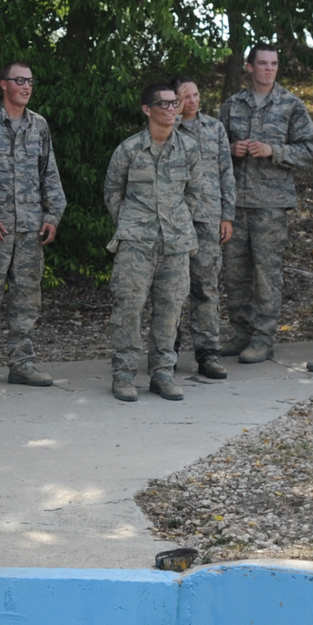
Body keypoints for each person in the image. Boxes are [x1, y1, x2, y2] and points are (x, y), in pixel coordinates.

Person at [217, 44, 313, 364]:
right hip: (234, 203)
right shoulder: (233, 105)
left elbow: (310, 150)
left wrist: (273, 150)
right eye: (262, 63)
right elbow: (214, 146)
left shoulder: (290, 105)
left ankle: (263, 337)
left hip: (271, 204)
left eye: (274, 63)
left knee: (266, 273)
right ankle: (241, 333)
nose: (269, 69)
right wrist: (231, 149)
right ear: (249, 67)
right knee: (235, 273)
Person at [103, 83, 202, 403]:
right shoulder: (129, 150)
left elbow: (196, 194)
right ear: (147, 110)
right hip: (136, 245)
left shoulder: (188, 148)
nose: (173, 109)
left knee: (170, 311)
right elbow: (112, 193)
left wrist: (177, 224)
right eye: (165, 104)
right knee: (128, 310)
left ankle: (162, 374)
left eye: (176, 103)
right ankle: (124, 374)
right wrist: (132, 224)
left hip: (175, 243)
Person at [0, 60, 67, 387]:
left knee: (27, 299)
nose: (26, 87)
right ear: (3, 84)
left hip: (31, 229)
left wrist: (52, 216)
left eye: (30, 81)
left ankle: (22, 363)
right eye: (19, 81)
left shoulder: (39, 126)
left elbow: (49, 173)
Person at [175, 75, 235, 380]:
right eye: (186, 96)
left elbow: (226, 172)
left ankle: (208, 353)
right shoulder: (166, 129)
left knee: (206, 289)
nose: (193, 101)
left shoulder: (214, 128)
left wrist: (228, 215)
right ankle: (165, 351)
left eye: (196, 94)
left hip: (209, 219)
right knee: (171, 289)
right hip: (174, 221)